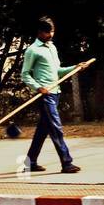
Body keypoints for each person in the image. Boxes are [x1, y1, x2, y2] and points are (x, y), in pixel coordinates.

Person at [20, 17, 92, 174]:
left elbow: (58, 71)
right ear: (39, 32)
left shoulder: (52, 48)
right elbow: (25, 74)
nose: (50, 35)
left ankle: (30, 162)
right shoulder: (32, 50)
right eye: (47, 32)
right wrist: (38, 87)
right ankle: (67, 163)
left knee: (43, 130)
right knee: (56, 128)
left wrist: (76, 68)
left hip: (55, 92)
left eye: (52, 31)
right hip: (44, 95)